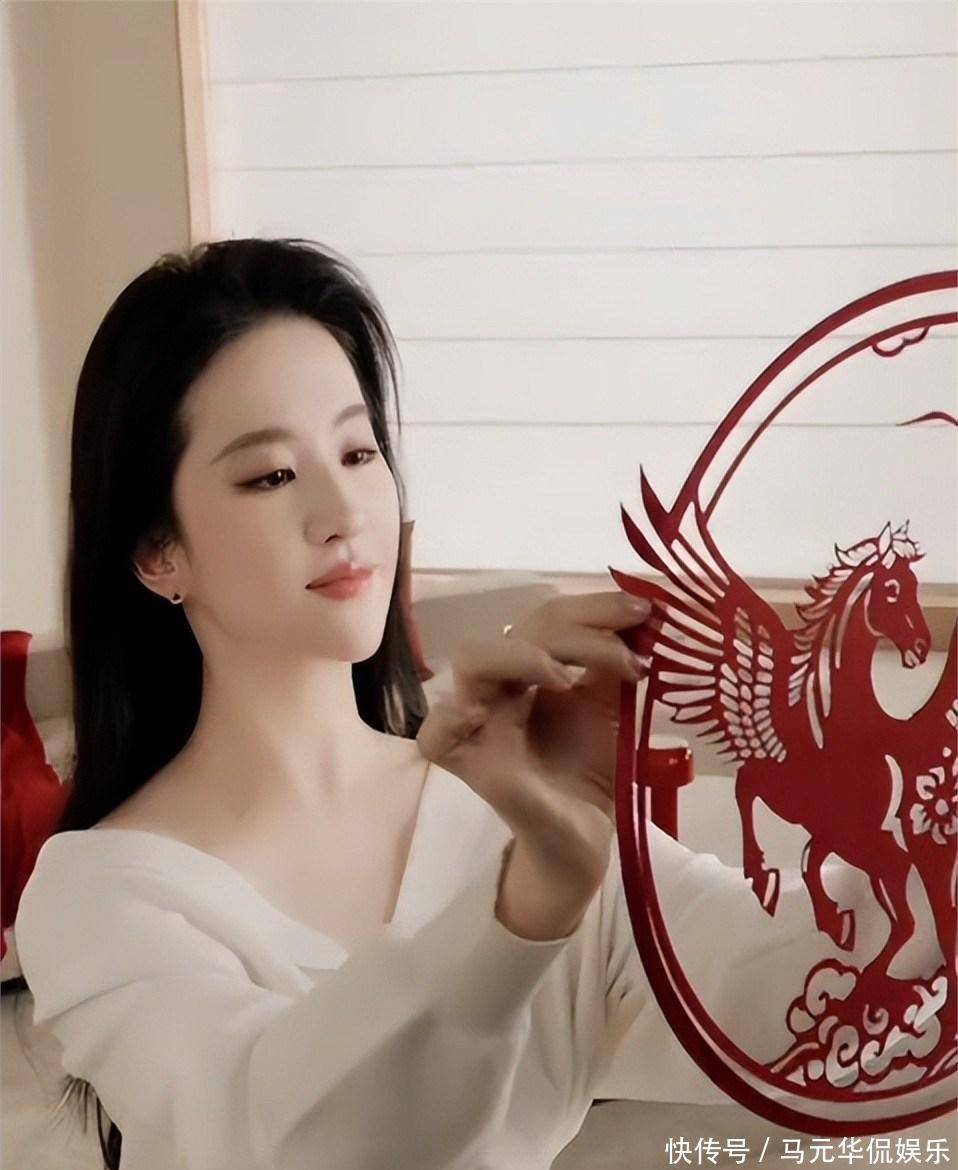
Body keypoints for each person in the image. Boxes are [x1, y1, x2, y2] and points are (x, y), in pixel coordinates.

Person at [13, 239, 942, 1170]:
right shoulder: (99, 895)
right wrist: (522, 909)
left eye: (359, 451)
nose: (346, 511)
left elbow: (806, 1003)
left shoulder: (507, 809)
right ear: (158, 552)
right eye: (271, 475)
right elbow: (289, 1140)